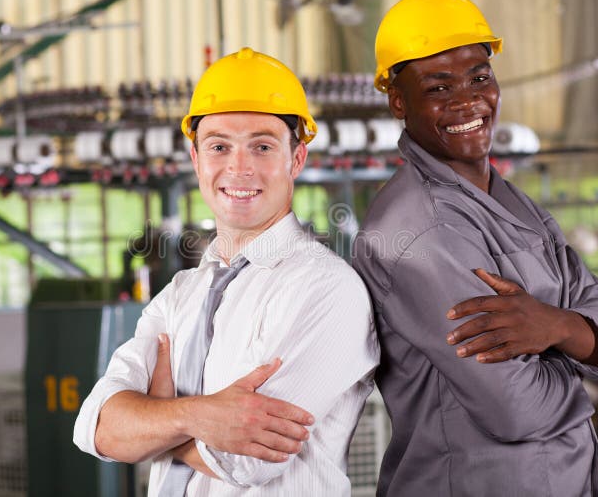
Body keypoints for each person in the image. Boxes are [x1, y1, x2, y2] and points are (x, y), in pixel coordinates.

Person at [353, 0, 598, 496]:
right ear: (398, 100)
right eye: (438, 87)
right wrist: (578, 347)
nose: (468, 100)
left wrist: (558, 325)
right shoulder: (420, 231)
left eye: (479, 77)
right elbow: (516, 409)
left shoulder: (510, 201)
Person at [74, 47, 379, 496]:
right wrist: (195, 416)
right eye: (219, 146)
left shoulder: (327, 289)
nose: (239, 167)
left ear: (296, 158)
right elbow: (97, 429)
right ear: (196, 158)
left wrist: (154, 417)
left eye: (262, 145)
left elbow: (245, 459)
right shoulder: (180, 293)